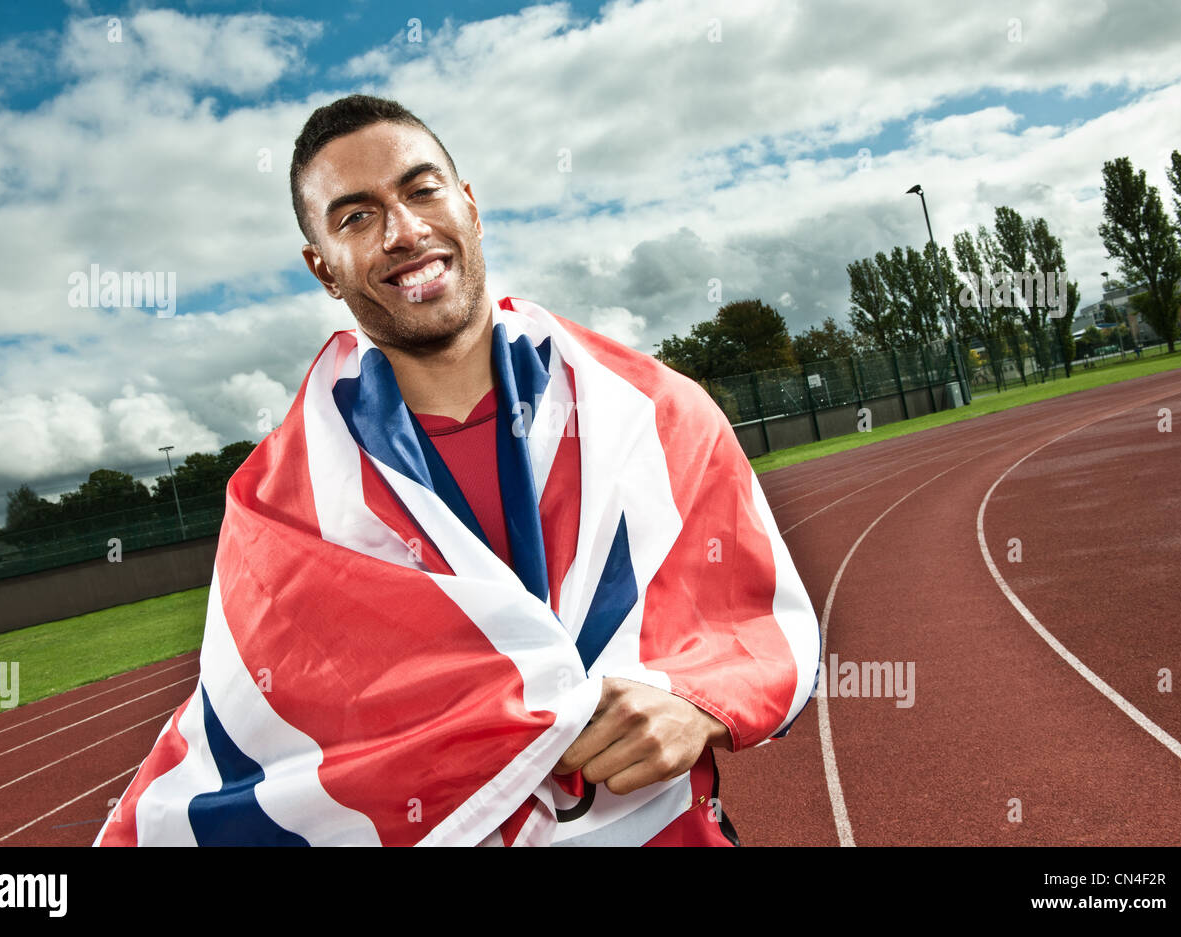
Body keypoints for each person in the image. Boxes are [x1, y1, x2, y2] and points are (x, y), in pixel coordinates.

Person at [96, 95, 820, 847]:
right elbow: (257, 751)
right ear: (323, 269)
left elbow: (760, 618)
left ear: (469, 204)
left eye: (421, 190)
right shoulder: (282, 502)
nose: (404, 232)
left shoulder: (649, 411)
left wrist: (697, 702)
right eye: (355, 218)